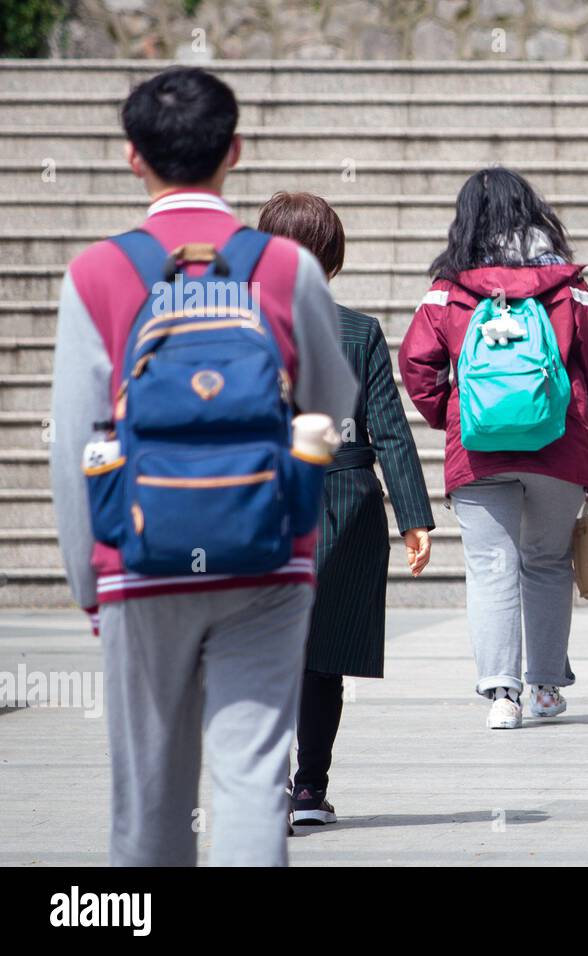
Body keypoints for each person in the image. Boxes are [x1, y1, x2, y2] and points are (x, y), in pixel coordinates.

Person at [50, 68, 356, 865]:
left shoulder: (98, 274)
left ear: (131, 157)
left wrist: (93, 584)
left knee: (148, 795)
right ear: (234, 150)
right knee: (254, 779)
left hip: (139, 563)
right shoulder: (287, 270)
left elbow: (78, 441)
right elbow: (326, 406)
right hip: (265, 562)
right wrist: (289, 507)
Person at [399, 167, 588, 730]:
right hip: (559, 448)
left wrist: (456, 416)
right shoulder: (568, 288)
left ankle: (501, 695)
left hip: (479, 451)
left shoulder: (448, 290)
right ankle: (544, 688)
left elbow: (417, 365)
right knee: (545, 563)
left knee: (491, 567)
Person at [257, 192, 435, 827]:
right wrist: (414, 516)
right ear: (332, 259)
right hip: (346, 502)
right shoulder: (358, 331)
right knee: (325, 654)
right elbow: (388, 430)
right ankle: (309, 790)